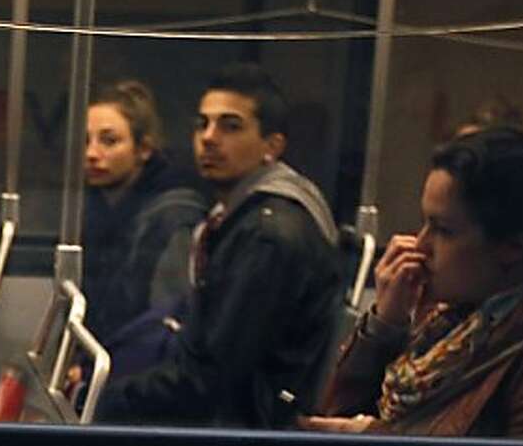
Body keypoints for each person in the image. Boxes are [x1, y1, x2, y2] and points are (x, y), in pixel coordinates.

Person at [303, 127, 523, 440]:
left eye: (443, 230)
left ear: (514, 247)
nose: (419, 245)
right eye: (425, 223)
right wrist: (385, 325)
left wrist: (377, 436)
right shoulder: (448, 327)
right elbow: (336, 430)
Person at [95, 63, 340, 426]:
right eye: (202, 124)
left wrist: (107, 396)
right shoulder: (240, 217)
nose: (209, 138)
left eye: (230, 126)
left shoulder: (266, 237)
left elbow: (210, 378)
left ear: (271, 146)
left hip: (245, 427)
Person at [79, 80, 207, 338]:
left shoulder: (172, 215)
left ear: (144, 149)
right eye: (85, 141)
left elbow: (166, 322)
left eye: (109, 141)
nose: (92, 153)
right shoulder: (96, 208)